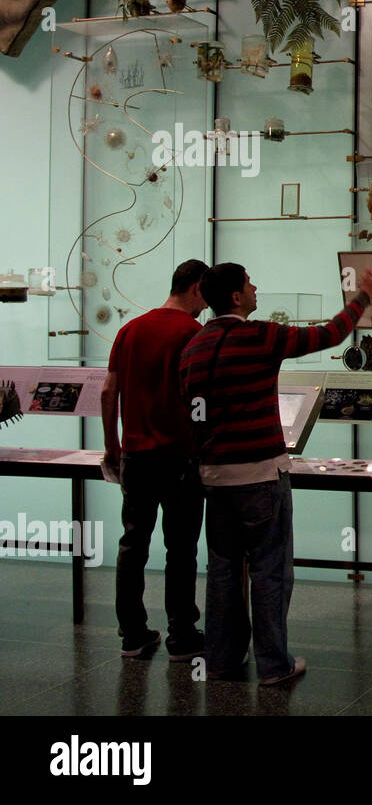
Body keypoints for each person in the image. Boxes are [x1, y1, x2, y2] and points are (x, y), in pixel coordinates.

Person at [179, 261, 372, 686]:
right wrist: (361, 297)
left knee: (223, 572)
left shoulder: (194, 347)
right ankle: (273, 664)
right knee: (269, 572)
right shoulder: (260, 336)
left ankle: (220, 661)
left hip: (215, 480)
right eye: (249, 283)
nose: (256, 288)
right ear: (235, 296)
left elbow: (192, 414)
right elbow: (328, 335)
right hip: (261, 478)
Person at [102, 258, 210, 660]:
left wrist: (112, 446)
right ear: (197, 287)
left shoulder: (130, 330)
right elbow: (199, 396)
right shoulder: (192, 332)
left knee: (133, 543)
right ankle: (182, 635)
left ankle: (132, 633)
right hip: (180, 456)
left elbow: (107, 391)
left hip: (136, 455)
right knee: (180, 548)